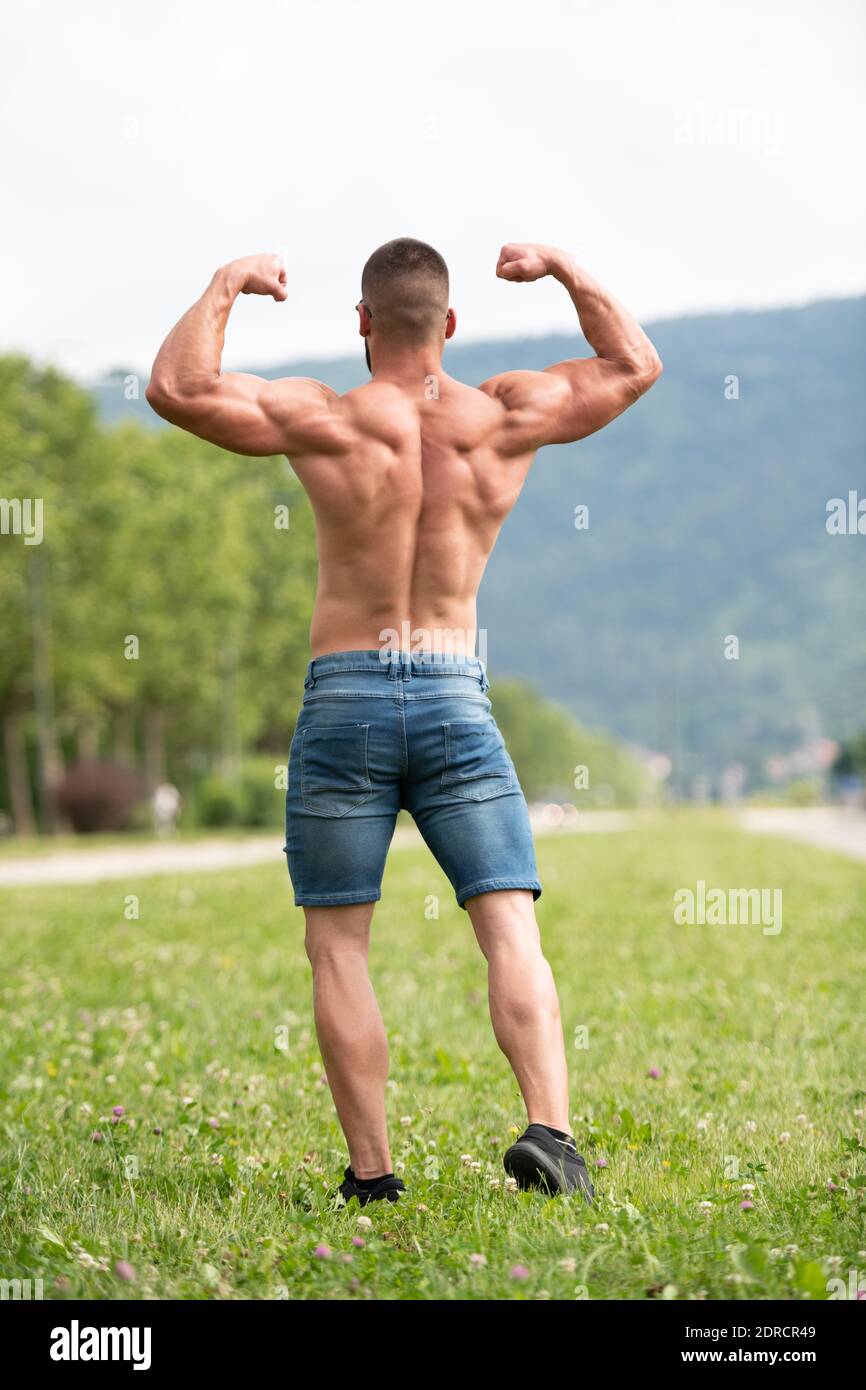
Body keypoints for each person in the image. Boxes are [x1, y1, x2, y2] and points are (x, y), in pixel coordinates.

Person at [146, 238, 662, 1205]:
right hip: (452, 688)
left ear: (362, 323)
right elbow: (635, 365)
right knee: (508, 924)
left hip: (345, 696)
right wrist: (565, 271)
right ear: (453, 325)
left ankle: (375, 1179)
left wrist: (224, 286)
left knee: (339, 945)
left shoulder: (327, 417)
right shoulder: (505, 415)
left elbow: (178, 388)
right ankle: (550, 1133)